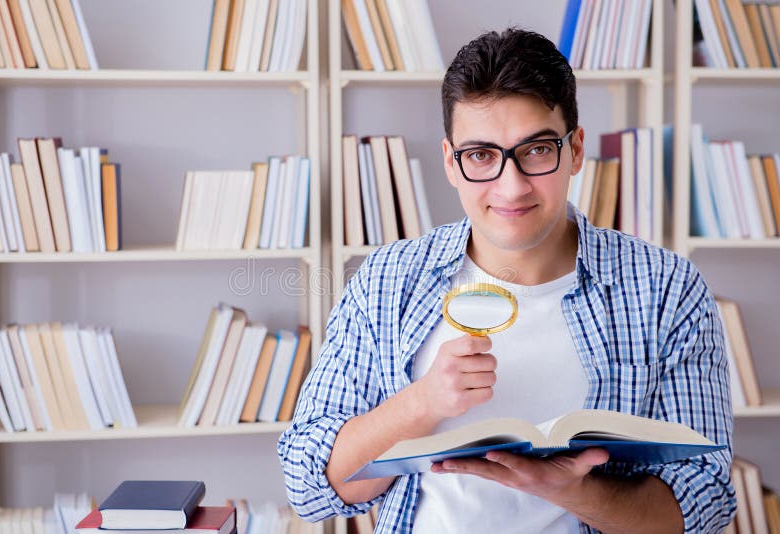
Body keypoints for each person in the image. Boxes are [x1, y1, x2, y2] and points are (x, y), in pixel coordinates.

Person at [278, 27, 735, 533]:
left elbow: (706, 504)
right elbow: (307, 486)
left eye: (537, 150)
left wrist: (575, 492)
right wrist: (422, 404)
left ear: (576, 150)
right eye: (481, 156)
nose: (511, 186)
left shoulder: (668, 289)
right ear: (451, 162)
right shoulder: (387, 280)